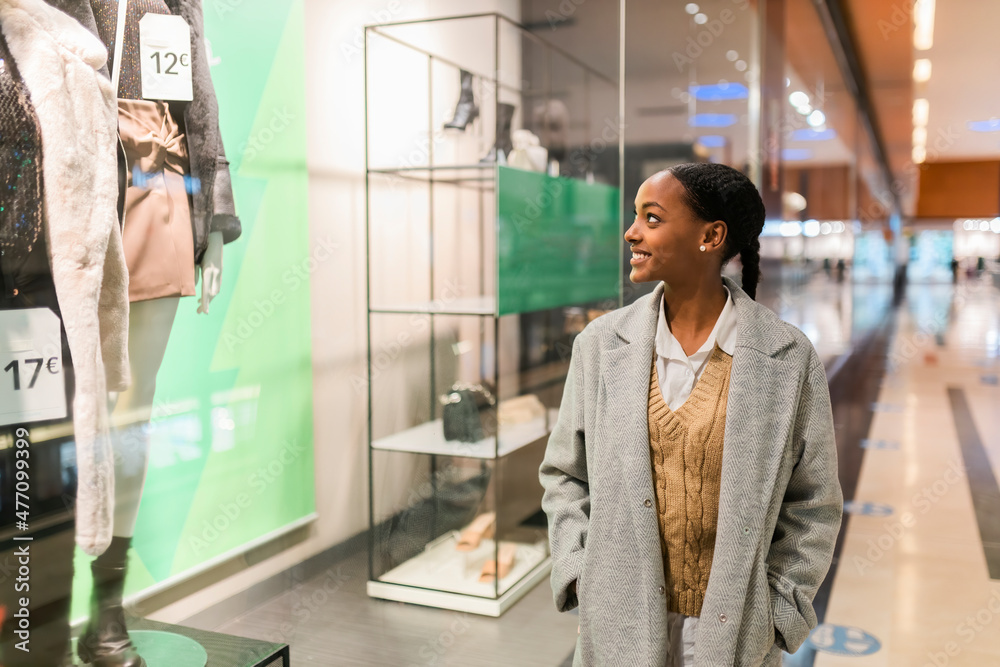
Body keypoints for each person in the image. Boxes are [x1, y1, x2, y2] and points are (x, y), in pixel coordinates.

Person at [539, 163, 842, 667]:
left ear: (711, 236)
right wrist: (578, 571)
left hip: (735, 629)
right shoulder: (599, 346)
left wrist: (781, 609)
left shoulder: (787, 358)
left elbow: (814, 502)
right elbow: (565, 474)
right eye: (636, 217)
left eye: (652, 218)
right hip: (619, 619)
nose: (631, 233)